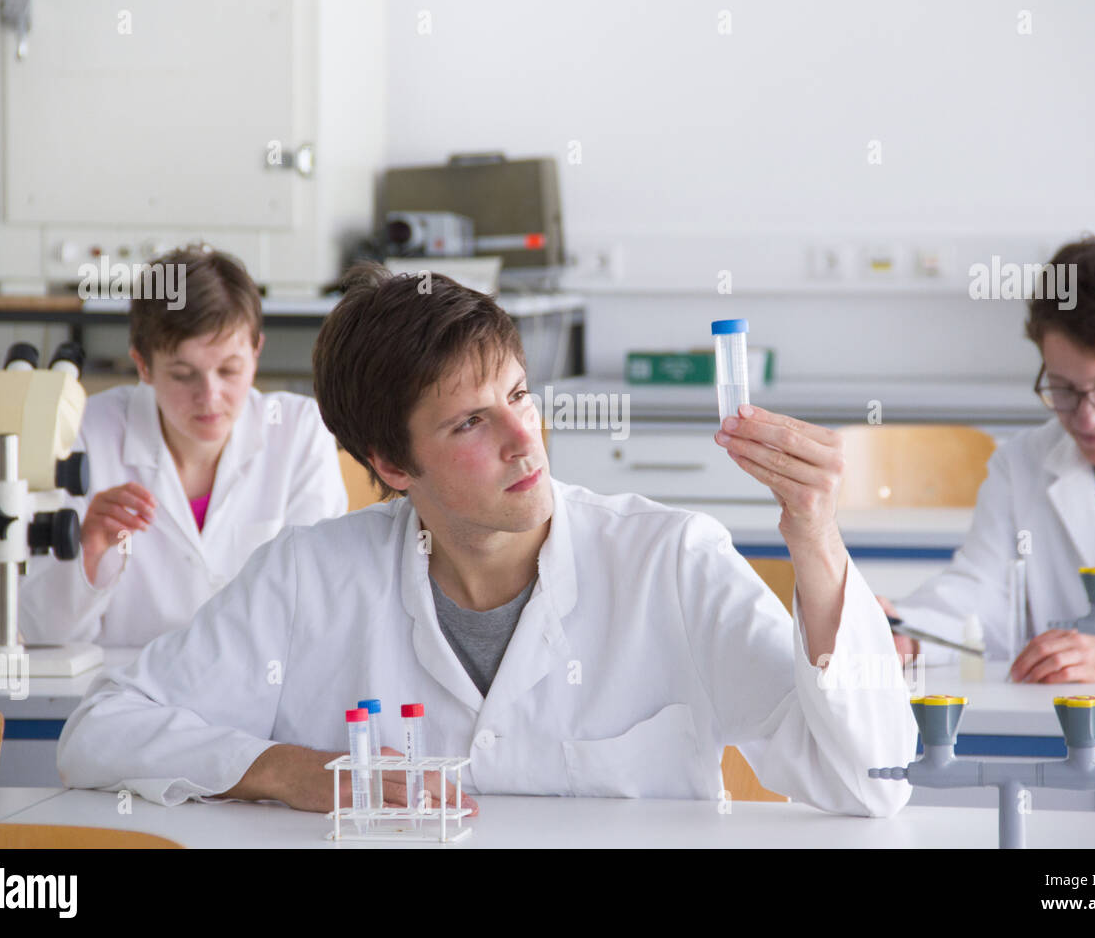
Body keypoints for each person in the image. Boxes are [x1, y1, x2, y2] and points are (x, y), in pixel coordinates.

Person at [56, 263, 916, 817]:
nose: (524, 438)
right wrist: (287, 770)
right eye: (473, 420)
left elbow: (864, 781)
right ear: (392, 463)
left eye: (520, 394)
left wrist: (815, 539)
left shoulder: (669, 563)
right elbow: (100, 731)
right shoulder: (309, 579)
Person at [886, 236, 1095, 683]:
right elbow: (981, 592)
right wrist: (909, 635)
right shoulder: (1021, 464)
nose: (1087, 416)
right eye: (1063, 387)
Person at [20, 246, 348, 647]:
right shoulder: (87, 435)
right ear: (143, 365)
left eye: (229, 369)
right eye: (182, 374)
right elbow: (44, 635)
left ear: (256, 351)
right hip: (128, 695)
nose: (209, 397)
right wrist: (88, 551)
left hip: (262, 697)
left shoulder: (299, 432)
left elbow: (320, 608)